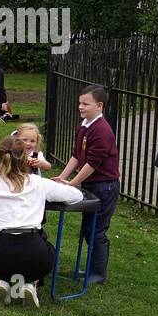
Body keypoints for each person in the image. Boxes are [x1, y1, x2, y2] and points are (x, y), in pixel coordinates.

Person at [0, 135, 83, 307]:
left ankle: (6, 281)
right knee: (48, 250)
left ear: (0, 156)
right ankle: (30, 283)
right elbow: (76, 196)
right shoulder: (38, 183)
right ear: (25, 157)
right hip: (34, 251)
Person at [54, 84, 120, 285]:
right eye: (80, 103)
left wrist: (73, 183)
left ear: (99, 106)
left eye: (86, 104)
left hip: (105, 186)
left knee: (96, 231)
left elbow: (93, 163)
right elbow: (77, 155)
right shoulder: (84, 124)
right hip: (91, 184)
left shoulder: (101, 130)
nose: (81, 107)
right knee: (87, 229)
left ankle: (98, 274)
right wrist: (62, 176)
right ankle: (91, 269)